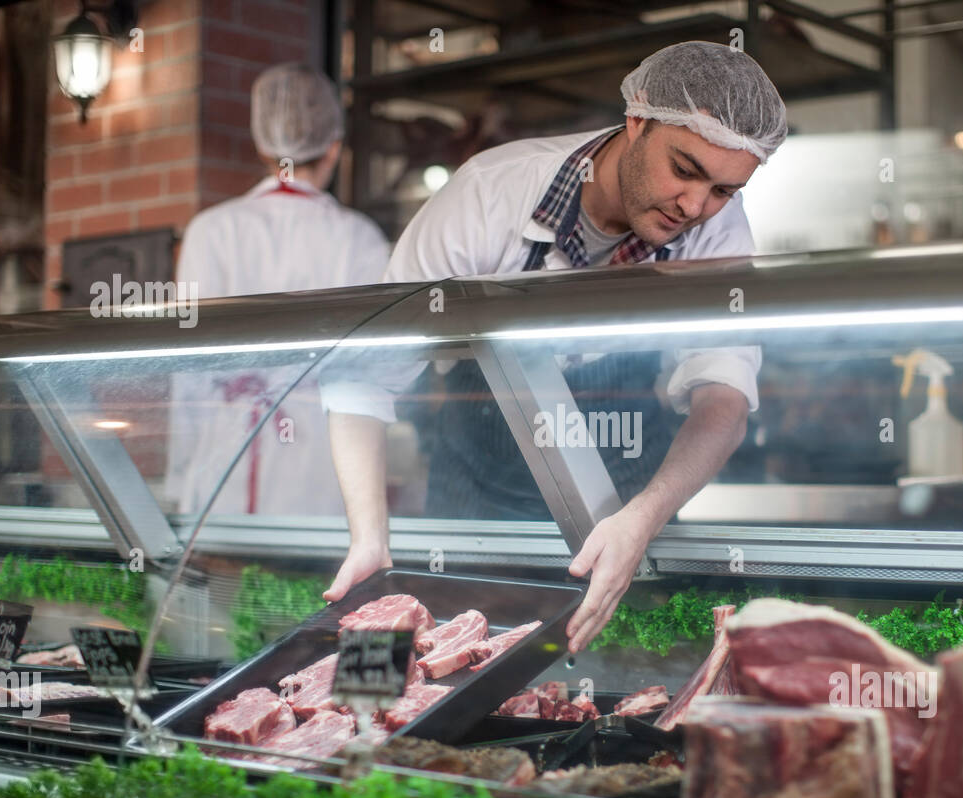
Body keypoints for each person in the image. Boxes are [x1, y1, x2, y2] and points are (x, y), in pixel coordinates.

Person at [321, 41, 787, 651]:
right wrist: (369, 541)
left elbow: (723, 395)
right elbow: (363, 378)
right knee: (447, 686)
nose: (696, 207)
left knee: (609, 698)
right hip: (475, 507)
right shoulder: (487, 197)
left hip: (624, 515)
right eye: (685, 169)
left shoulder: (717, 229)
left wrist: (643, 521)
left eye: (725, 190)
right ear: (638, 120)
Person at [168, 63, 390, 517]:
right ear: (333, 147)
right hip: (327, 468)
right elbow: (378, 374)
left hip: (219, 464)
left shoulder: (210, 230)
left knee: (223, 583)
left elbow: (186, 371)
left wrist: (178, 477)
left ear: (261, 146)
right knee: (312, 586)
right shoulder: (359, 236)